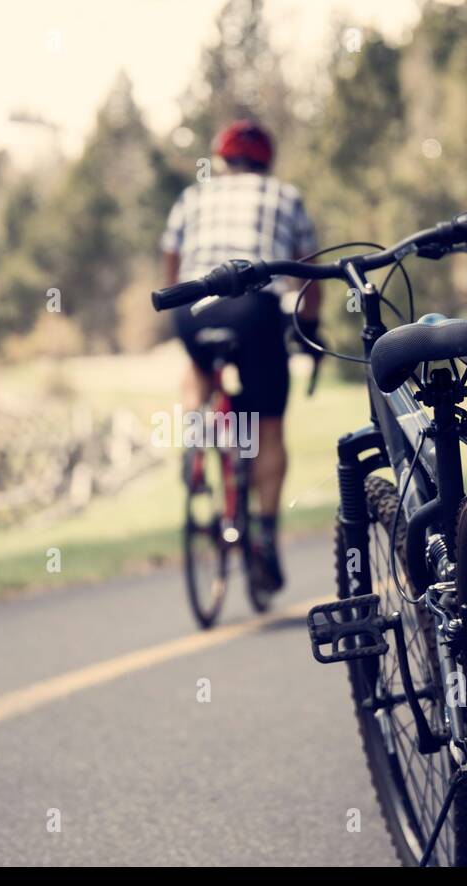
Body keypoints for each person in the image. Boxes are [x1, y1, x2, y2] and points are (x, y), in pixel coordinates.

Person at [159, 119, 321, 592]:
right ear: (266, 161)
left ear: (222, 160)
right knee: (267, 426)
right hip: (255, 310)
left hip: (193, 308)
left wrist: (177, 305)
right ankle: (266, 537)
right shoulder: (286, 196)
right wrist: (309, 326)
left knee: (197, 367)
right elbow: (308, 273)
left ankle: (195, 436)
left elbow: (171, 261)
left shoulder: (193, 196)